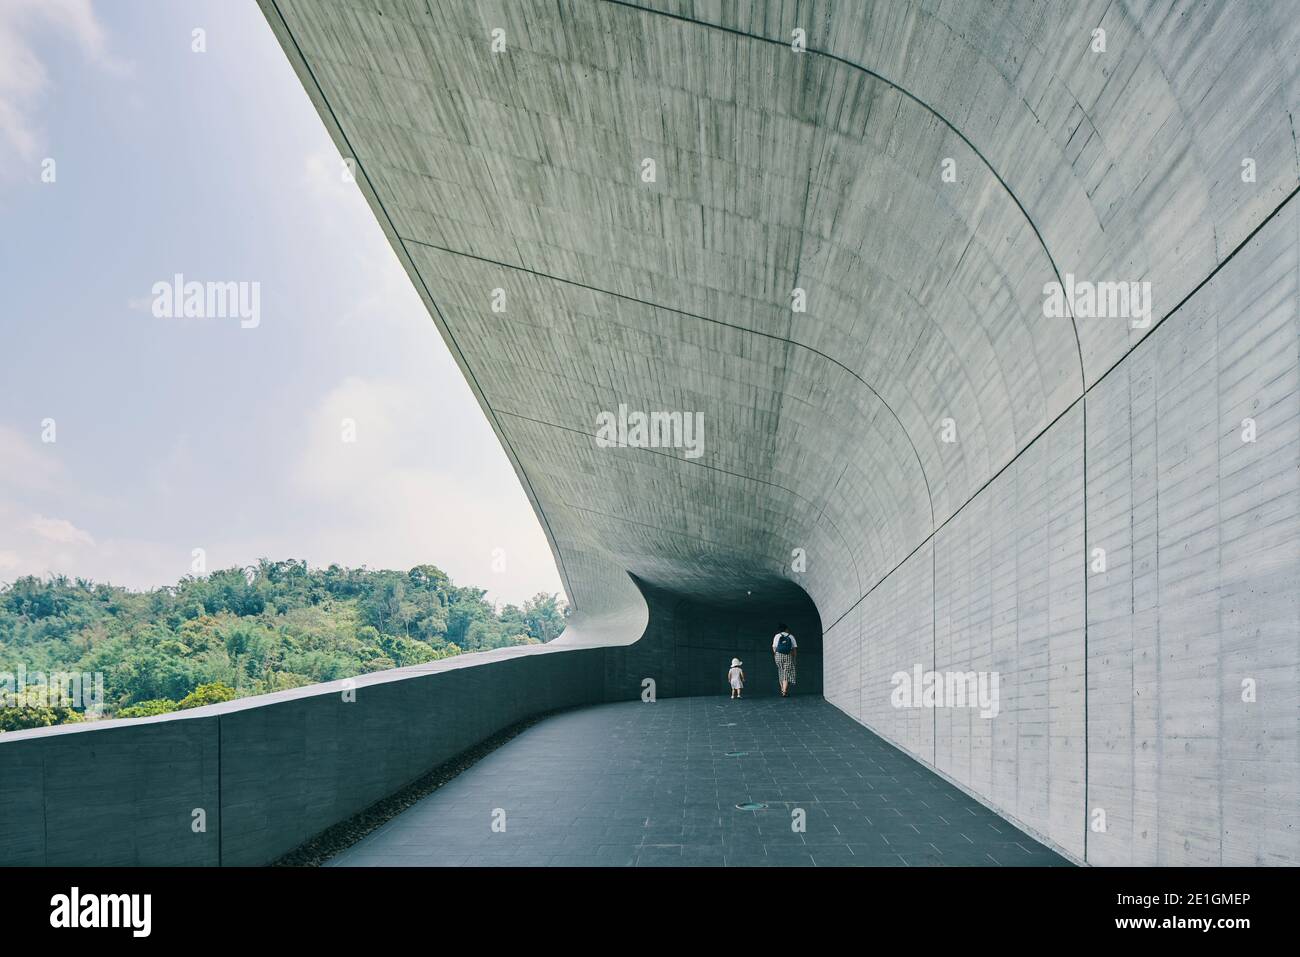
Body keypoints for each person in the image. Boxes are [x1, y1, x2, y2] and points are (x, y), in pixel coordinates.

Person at [772, 624, 797, 697]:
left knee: (781, 671)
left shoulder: (777, 636)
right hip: (788, 655)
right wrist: (794, 658)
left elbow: (774, 647)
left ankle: (782, 690)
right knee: (786, 673)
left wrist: (776, 655)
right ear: (786, 629)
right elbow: (794, 649)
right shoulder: (790, 636)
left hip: (778, 655)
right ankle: (784, 691)